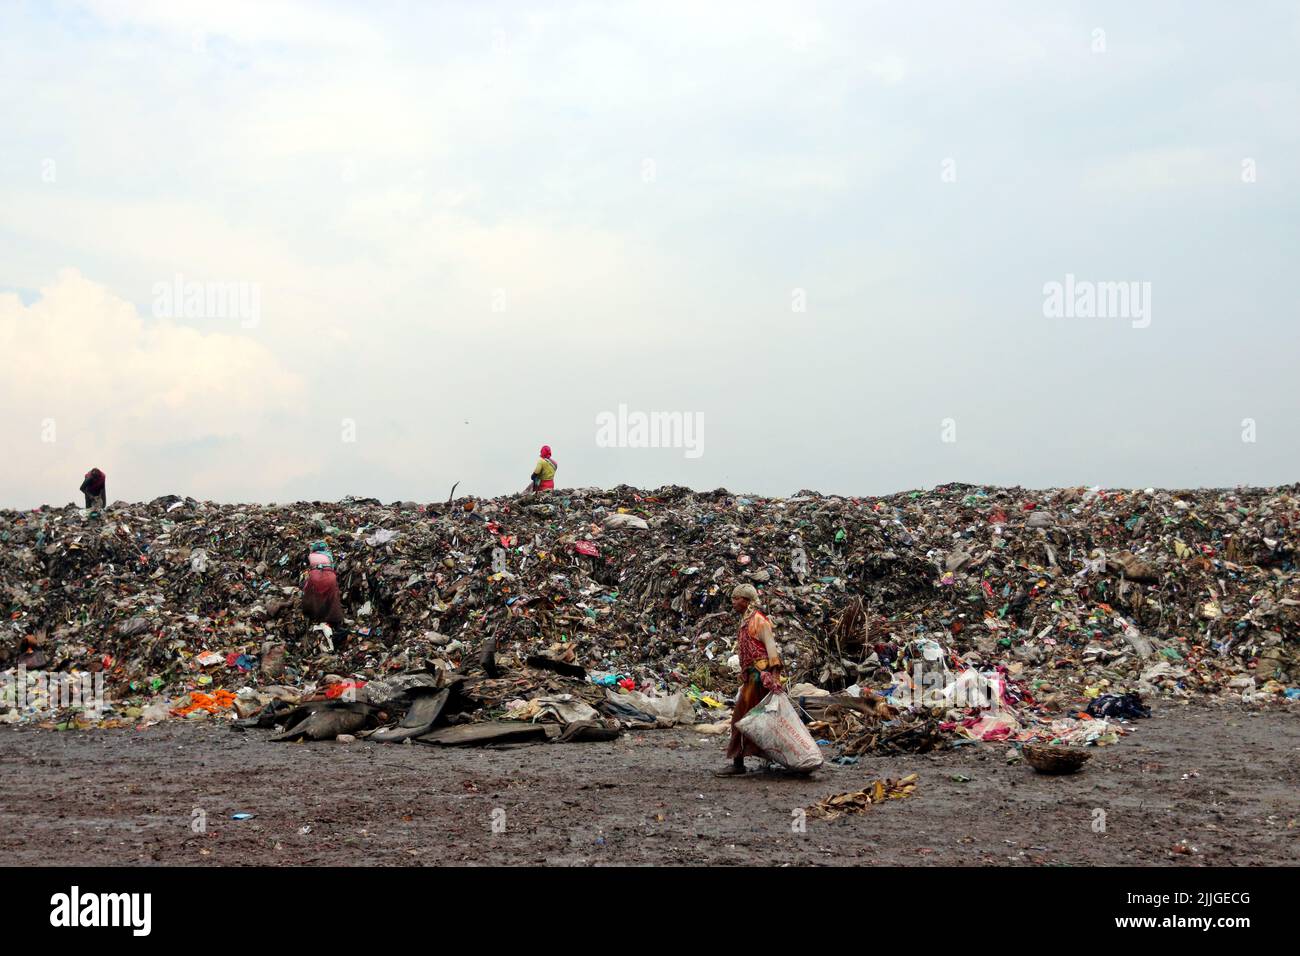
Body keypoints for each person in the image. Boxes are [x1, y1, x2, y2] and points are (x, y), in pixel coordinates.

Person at [716, 583, 785, 776]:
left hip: (759, 678)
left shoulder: (759, 621)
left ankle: (738, 764)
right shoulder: (746, 621)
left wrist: (775, 677)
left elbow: (772, 650)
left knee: (741, 719)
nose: (733, 602)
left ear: (746, 601)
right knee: (759, 720)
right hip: (751, 677)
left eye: (736, 599)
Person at [302, 541, 344, 627]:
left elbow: (306, 565)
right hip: (330, 576)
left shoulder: (310, 555)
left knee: (312, 595)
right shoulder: (328, 555)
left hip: (315, 576)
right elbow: (333, 567)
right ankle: (334, 619)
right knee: (332, 597)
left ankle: (314, 615)